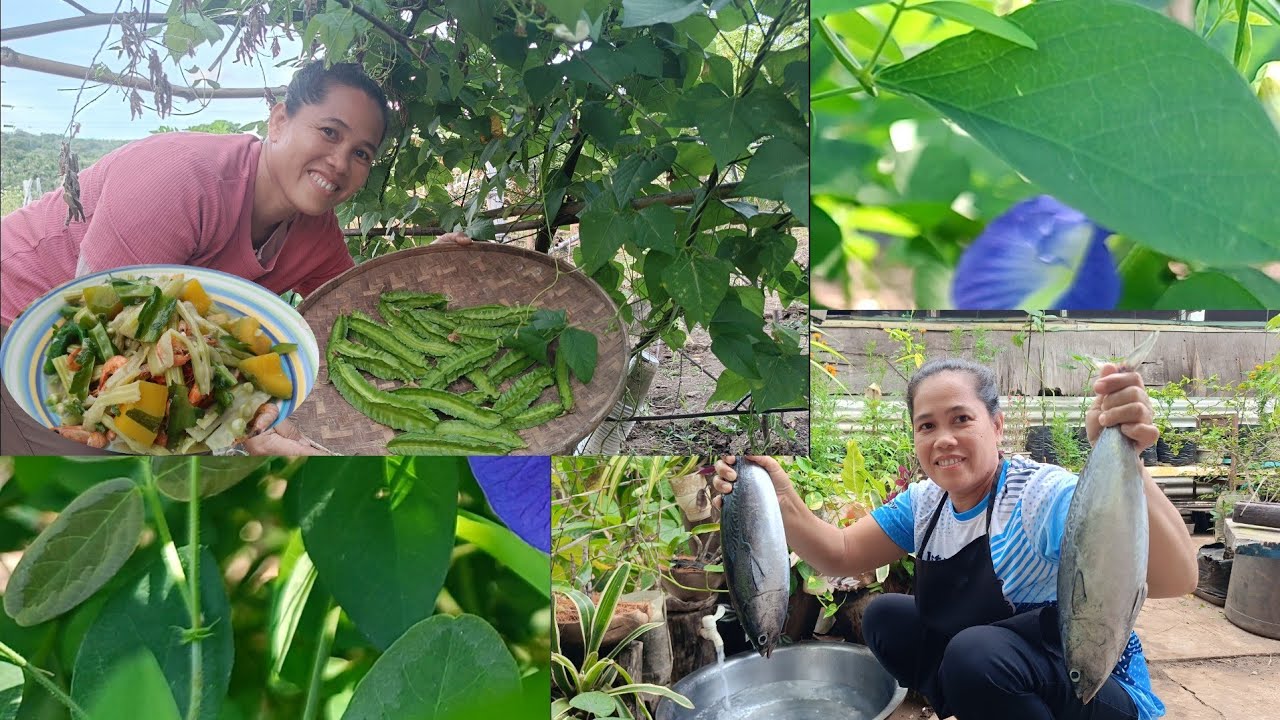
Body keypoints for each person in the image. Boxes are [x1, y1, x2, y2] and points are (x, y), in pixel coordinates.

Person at [0, 60, 469, 455]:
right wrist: (241, 426)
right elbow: (110, 338)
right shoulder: (178, 177)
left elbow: (356, 305)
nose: (340, 162)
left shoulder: (313, 229)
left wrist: (418, 269)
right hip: (24, 329)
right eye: (329, 132)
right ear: (280, 120)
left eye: (361, 153)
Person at [713, 357, 1197, 720]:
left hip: (1097, 689)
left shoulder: (1039, 496)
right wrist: (781, 504)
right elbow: (840, 555)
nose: (943, 438)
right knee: (887, 616)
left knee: (975, 658)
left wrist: (1126, 457)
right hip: (1002, 669)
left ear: (997, 425)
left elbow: (1179, 577)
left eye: (961, 419)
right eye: (927, 426)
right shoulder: (926, 503)